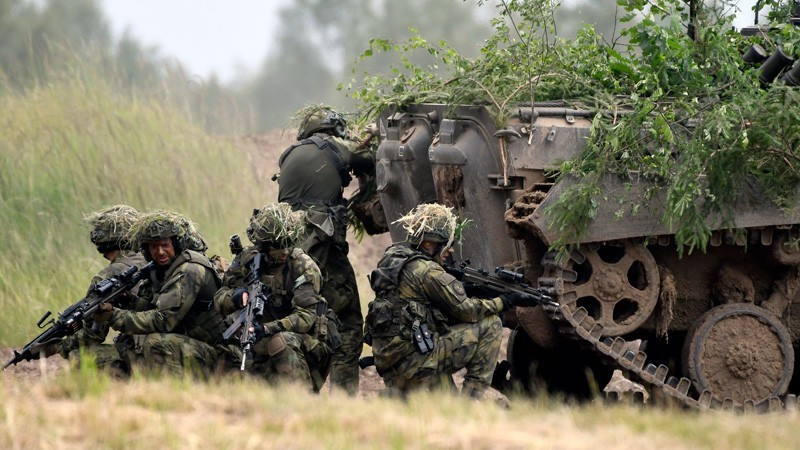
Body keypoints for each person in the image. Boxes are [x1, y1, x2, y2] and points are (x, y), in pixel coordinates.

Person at [365, 204, 532, 398]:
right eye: (445, 243)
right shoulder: (429, 271)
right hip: (414, 365)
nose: (450, 250)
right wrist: (505, 301)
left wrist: (464, 287)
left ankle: (410, 395)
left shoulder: (394, 257)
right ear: (428, 244)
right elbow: (467, 311)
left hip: (392, 365)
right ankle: (471, 400)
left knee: (442, 342)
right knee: (491, 324)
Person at [276, 106, 375, 394]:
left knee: (300, 318)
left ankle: (300, 393)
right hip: (323, 251)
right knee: (347, 324)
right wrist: (368, 138)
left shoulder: (289, 154)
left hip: (290, 252)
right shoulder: (335, 145)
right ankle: (343, 398)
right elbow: (370, 159)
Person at [214, 203, 340, 392]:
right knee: (223, 346)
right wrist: (234, 297)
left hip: (302, 344)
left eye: (287, 244)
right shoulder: (246, 259)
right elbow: (219, 297)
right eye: (276, 246)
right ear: (263, 244)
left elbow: (305, 318)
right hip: (255, 337)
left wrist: (265, 328)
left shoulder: (303, 267)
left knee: (280, 341)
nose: (283, 251)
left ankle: (301, 400)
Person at [94, 210, 235, 377]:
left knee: (155, 343)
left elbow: (162, 321)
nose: (160, 252)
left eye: (165, 245)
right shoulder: (160, 270)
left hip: (218, 354)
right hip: (194, 347)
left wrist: (114, 316)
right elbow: (149, 307)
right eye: (154, 246)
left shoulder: (190, 270)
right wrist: (128, 301)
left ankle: (176, 391)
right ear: (146, 250)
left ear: (175, 244)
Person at [29, 205, 147, 376]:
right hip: (169, 347)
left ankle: (125, 381)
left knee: (80, 356)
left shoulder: (106, 278)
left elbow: (93, 335)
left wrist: (58, 346)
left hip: (142, 354)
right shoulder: (154, 260)